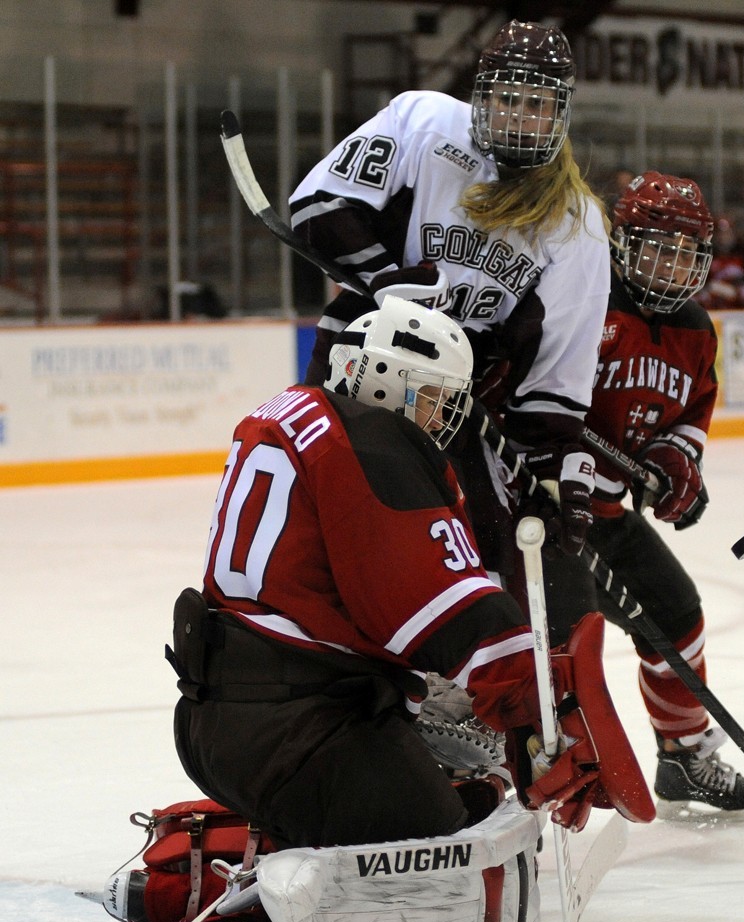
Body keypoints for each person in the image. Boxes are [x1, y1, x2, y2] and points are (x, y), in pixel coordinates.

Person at [169, 296, 645, 852]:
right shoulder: (368, 437)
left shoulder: (288, 413)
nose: (441, 420)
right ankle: (211, 889)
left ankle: (221, 857)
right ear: (381, 379)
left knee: (464, 801)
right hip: (303, 731)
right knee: (454, 859)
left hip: (230, 715)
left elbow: (349, 593)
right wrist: (531, 703)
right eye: (433, 398)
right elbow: (435, 596)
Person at [288, 19, 610, 578]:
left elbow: (555, 384)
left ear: (561, 114)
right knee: (314, 523)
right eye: (507, 99)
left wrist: (551, 480)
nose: (519, 116)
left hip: (460, 402)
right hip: (363, 358)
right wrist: (391, 282)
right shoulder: (425, 123)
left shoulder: (577, 226)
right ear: (480, 96)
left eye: (537, 104)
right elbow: (318, 206)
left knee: (478, 561)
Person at [542, 172, 744, 821]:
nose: (669, 265)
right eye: (656, 247)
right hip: (540, 512)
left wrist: (672, 465)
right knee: (540, 638)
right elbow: (530, 393)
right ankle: (493, 762)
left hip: (607, 517)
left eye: (683, 251)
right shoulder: (583, 300)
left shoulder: (696, 329)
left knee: (677, 614)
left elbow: (690, 413)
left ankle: (682, 754)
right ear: (623, 243)